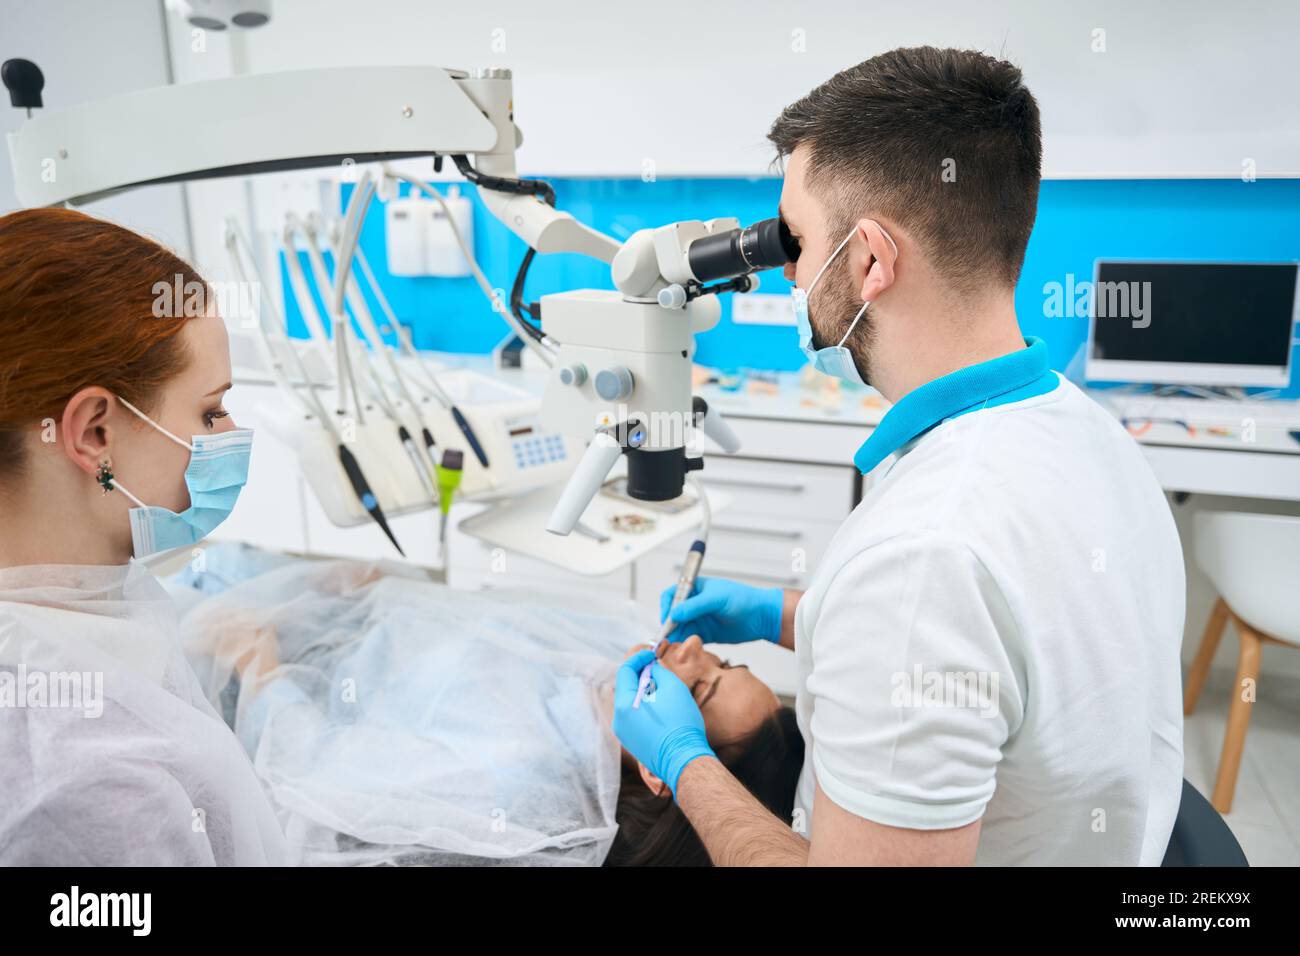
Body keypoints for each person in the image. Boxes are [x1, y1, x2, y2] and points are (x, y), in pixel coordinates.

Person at [612, 47, 1186, 866]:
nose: (786, 271)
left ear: (872, 260)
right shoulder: (1085, 431)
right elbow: (1011, 655)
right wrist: (790, 615)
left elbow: (931, 606)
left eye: (796, 240)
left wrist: (685, 762)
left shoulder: (922, 559)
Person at [0, 207, 287, 864]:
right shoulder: (93, 783)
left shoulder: (69, 603)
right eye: (211, 411)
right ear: (94, 433)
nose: (230, 434)